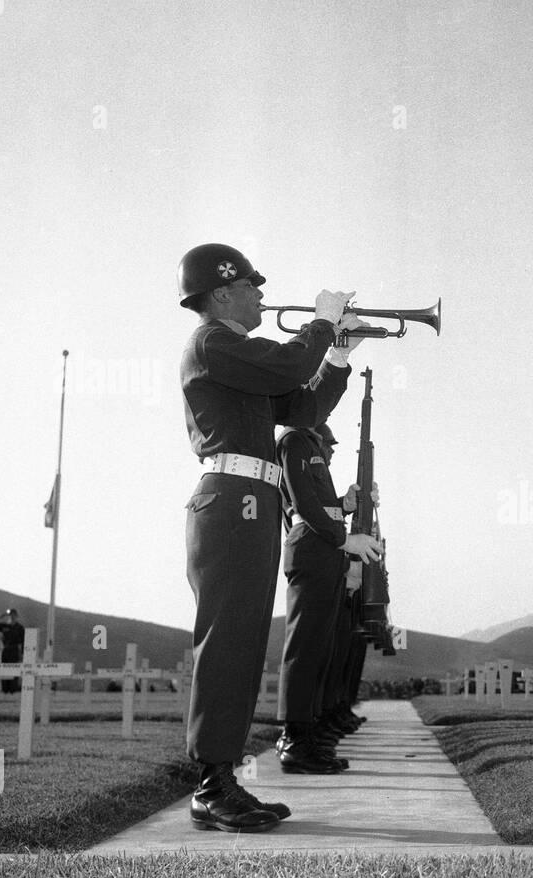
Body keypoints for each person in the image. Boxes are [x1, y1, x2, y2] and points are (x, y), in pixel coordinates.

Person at [177, 241, 377, 833]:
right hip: (231, 501)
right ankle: (211, 784)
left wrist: (337, 354)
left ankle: (222, 780)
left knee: (242, 646)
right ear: (220, 293)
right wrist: (319, 322)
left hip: (252, 503)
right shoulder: (214, 342)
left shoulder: (238, 358)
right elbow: (288, 367)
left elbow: (306, 407)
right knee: (229, 643)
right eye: (251, 286)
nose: (262, 294)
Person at [274, 421, 380, 773]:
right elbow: (304, 506)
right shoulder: (293, 440)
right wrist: (344, 539)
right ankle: (294, 738)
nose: (331, 451)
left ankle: (308, 732)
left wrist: (346, 504)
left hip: (324, 553)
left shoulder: (309, 445)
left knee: (319, 650)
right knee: (304, 649)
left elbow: (322, 508)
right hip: (313, 551)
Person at [0, 608, 25, 694]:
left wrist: (22, 654)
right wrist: (2, 615)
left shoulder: (20, 628)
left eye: (14, 615)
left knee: (14, 670)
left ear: (17, 616)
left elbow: (23, 641)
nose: (12, 617)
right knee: (4, 669)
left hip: (15, 650)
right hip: (6, 649)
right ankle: (5, 691)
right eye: (11, 615)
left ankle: (12, 691)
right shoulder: (5, 626)